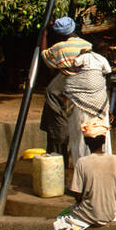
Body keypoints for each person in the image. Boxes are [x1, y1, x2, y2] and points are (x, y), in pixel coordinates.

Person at [53, 119, 116, 230]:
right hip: (110, 213)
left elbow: (77, 194)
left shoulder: (82, 162)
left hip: (89, 214)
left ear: (86, 143)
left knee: (60, 219)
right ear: (104, 141)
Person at [39, 17, 90, 167]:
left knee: (57, 122)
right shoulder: (87, 45)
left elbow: (45, 56)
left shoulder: (59, 48)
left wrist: (44, 34)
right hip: (83, 86)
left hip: (63, 87)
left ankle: (58, 154)